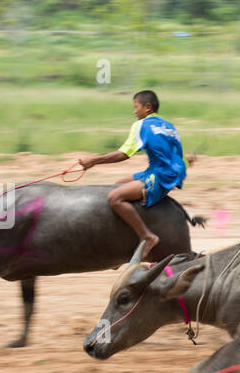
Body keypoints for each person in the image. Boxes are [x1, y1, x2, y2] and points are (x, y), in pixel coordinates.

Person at [78, 90, 192, 255]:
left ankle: (147, 236)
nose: (134, 111)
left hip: (158, 176)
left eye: (135, 106)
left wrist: (94, 161)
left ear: (147, 107)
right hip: (168, 173)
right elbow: (177, 156)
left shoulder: (141, 125)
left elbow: (123, 154)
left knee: (114, 197)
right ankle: (129, 234)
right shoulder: (169, 126)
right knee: (117, 185)